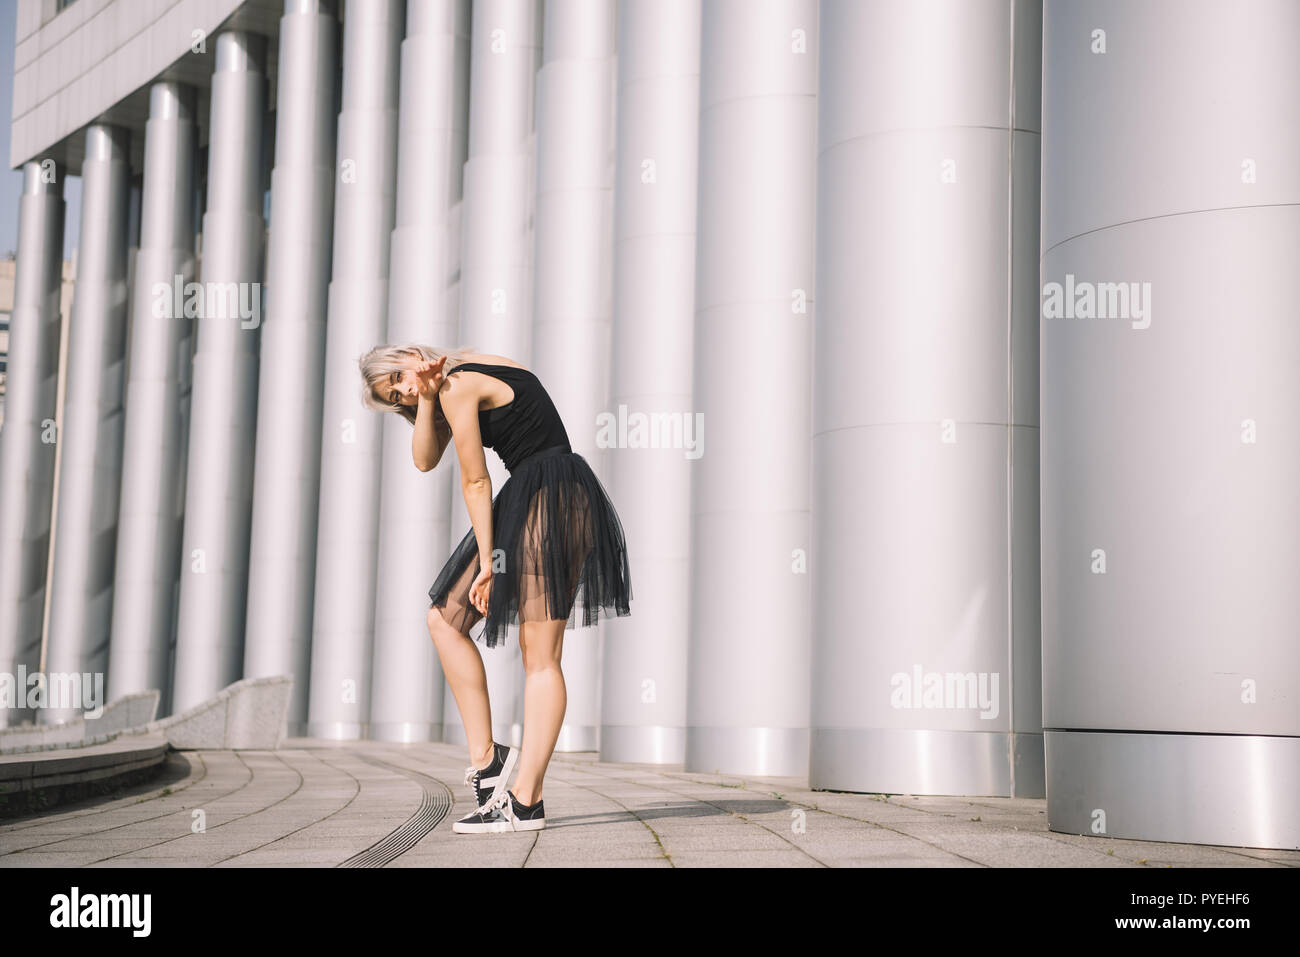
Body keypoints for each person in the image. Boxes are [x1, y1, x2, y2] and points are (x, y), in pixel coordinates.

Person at [358, 344, 632, 832]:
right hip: (542, 491)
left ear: (409, 354)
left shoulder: (458, 383)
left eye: (398, 377)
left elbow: (476, 480)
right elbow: (424, 461)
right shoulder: (453, 379)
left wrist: (488, 562)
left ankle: (526, 799)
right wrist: (422, 399)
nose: (402, 389)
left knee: (540, 655)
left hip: (548, 495)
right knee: (444, 619)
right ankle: (488, 761)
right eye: (394, 394)